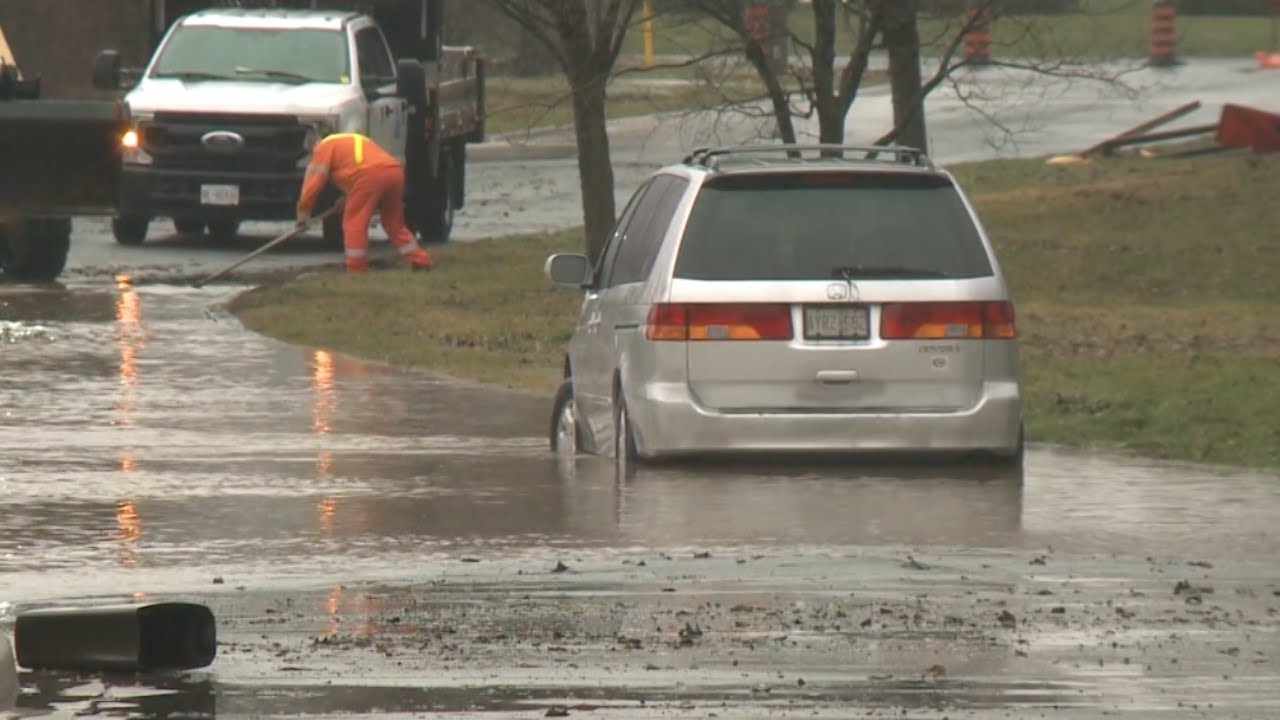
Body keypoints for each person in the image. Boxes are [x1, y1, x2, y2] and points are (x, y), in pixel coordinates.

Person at [296, 132, 433, 273]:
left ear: (313, 147)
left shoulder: (322, 148)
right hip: (394, 171)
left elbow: (314, 183)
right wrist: (347, 199)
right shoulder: (346, 140)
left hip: (369, 176)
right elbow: (356, 168)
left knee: (354, 223)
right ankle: (421, 260)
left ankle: (356, 268)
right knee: (394, 223)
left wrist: (303, 212)